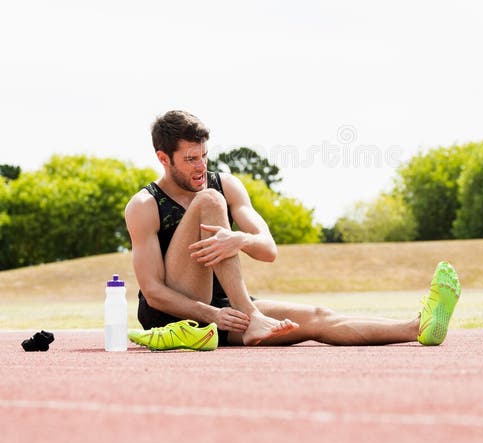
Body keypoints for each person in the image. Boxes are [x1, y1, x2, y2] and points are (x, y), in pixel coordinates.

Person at [125, 110, 460, 348]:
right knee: (210, 200)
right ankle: (252, 316)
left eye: (204, 156)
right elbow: (153, 292)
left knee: (316, 318)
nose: (202, 167)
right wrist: (217, 314)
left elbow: (268, 249)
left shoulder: (226, 184)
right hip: (173, 316)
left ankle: (418, 327)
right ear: (164, 158)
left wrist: (239, 240)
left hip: (224, 310)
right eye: (191, 159)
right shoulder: (145, 204)